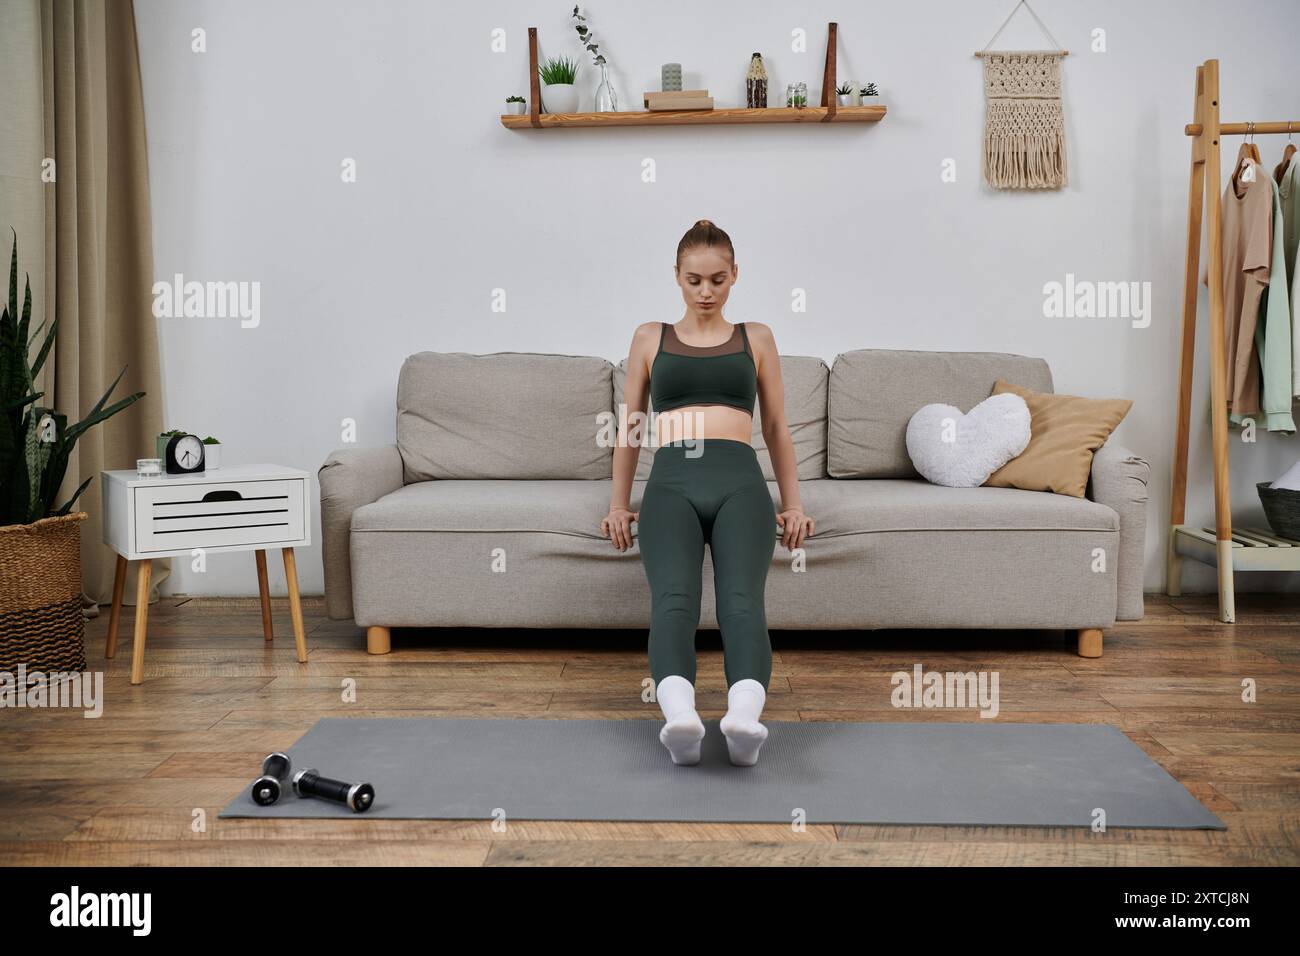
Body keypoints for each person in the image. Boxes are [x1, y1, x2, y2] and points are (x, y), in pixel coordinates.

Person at [600, 219, 815, 766]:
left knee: (743, 604)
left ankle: (744, 721)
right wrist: (618, 504)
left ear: (735, 275)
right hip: (670, 484)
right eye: (694, 280)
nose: (705, 292)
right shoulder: (651, 337)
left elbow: (776, 428)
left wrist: (793, 504)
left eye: (718, 280)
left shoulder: (756, 337)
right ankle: (682, 722)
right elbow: (630, 427)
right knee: (672, 602)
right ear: (676, 276)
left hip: (739, 482)